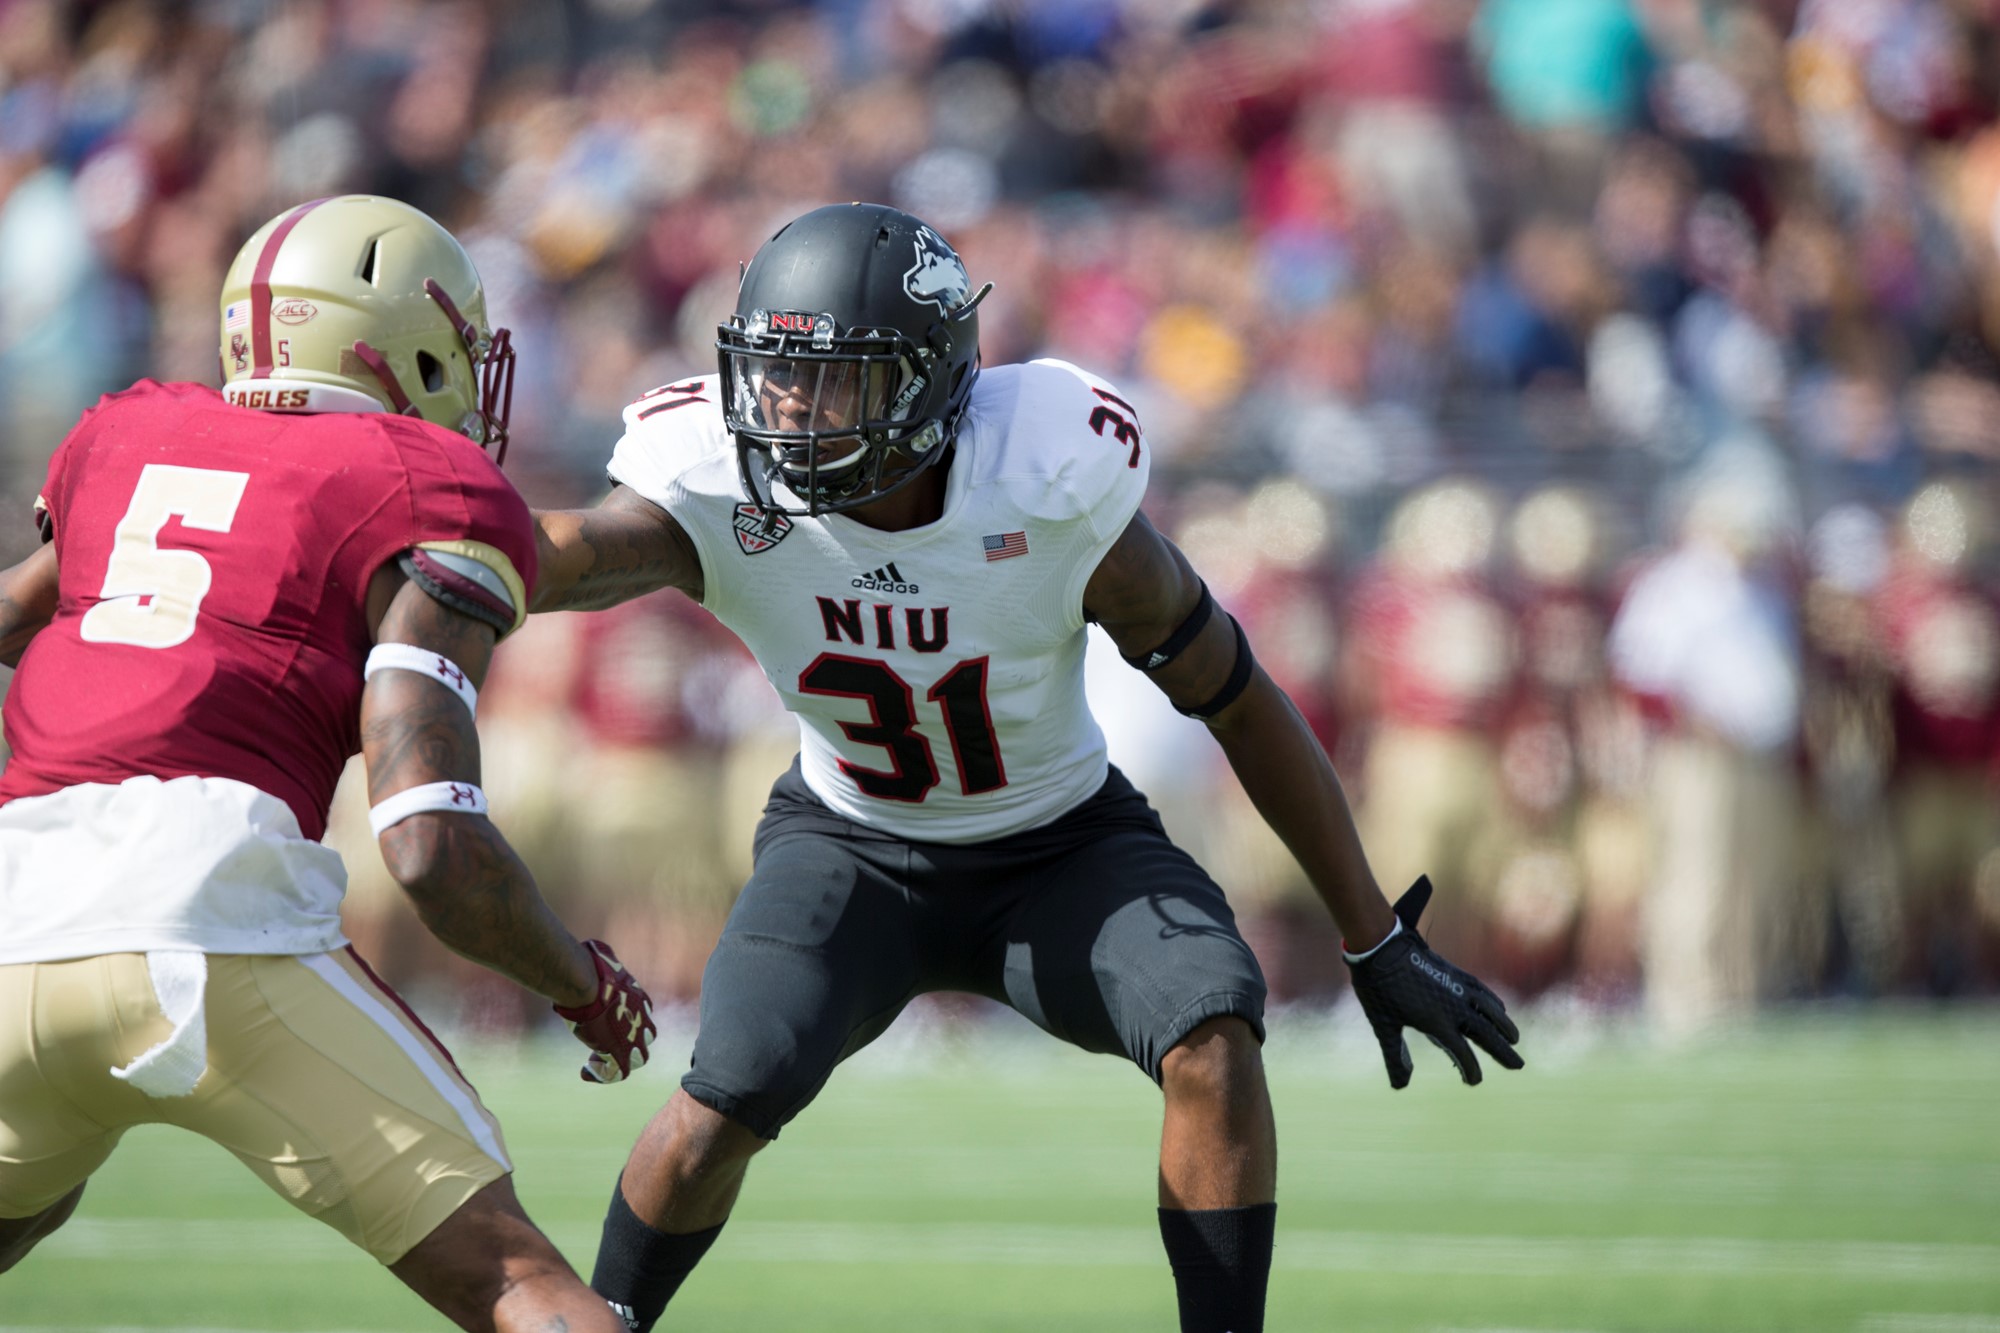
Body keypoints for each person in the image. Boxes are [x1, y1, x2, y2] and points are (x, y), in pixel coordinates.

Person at [534, 202, 1524, 1333]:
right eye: (777, 375)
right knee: (726, 1096)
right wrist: (438, 538)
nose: (790, 411)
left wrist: (1372, 932)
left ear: (928, 383)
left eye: (834, 381)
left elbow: (1237, 697)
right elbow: (569, 555)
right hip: (846, 842)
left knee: (1211, 1026)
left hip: (1059, 844)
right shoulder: (715, 480)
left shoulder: (1042, 480)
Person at [0, 195, 655, 1333]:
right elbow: (428, 844)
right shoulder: (426, 482)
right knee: (517, 1283)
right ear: (404, 343)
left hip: (15, 913)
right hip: (210, 909)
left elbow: (22, 609)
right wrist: (578, 981)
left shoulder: (122, 430)